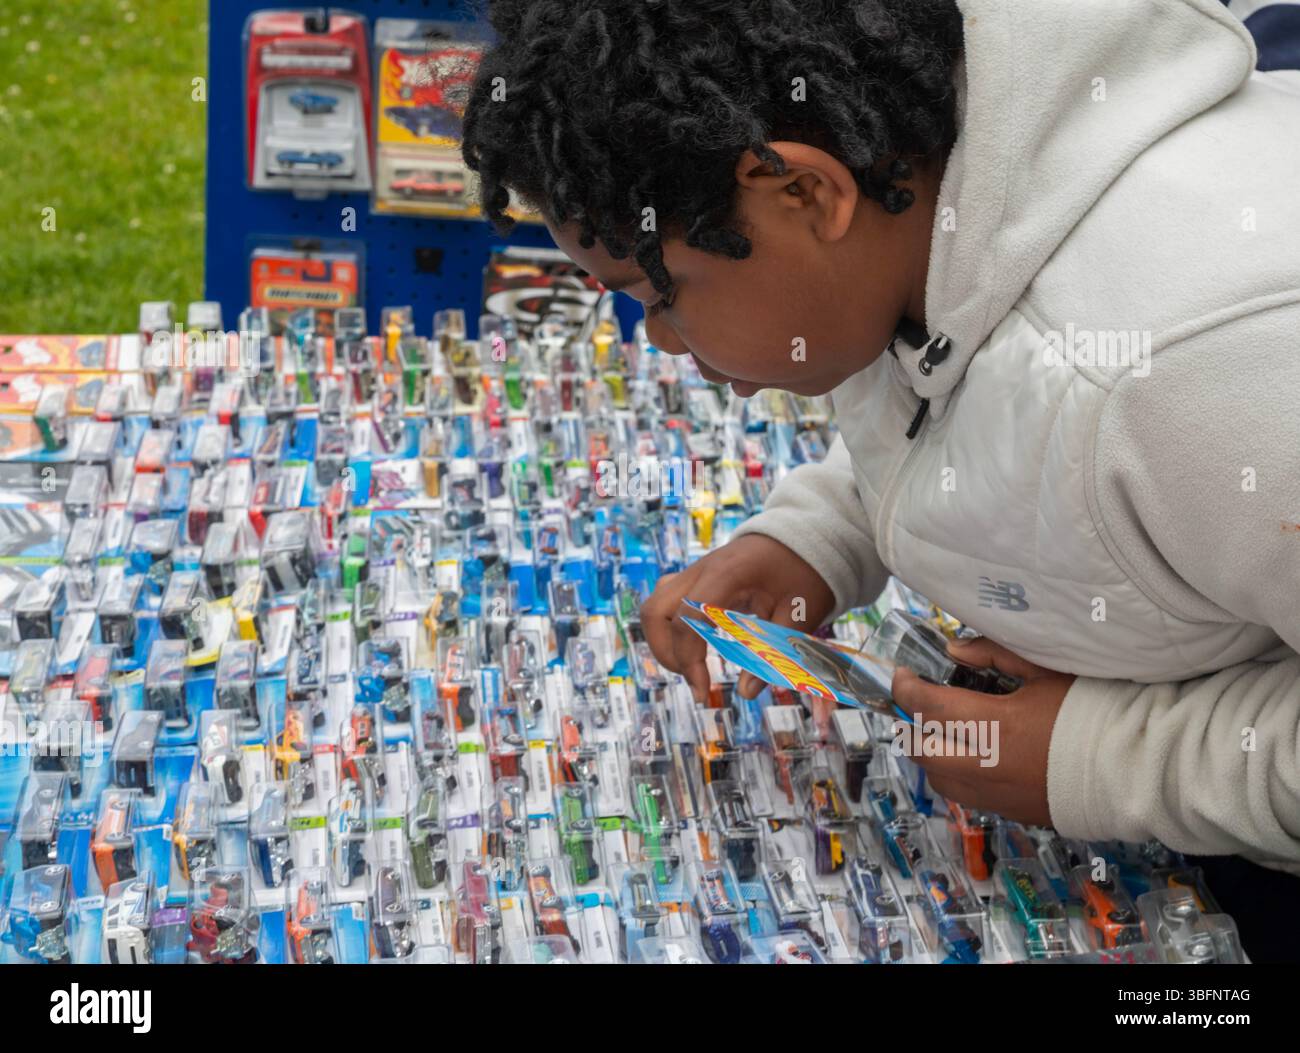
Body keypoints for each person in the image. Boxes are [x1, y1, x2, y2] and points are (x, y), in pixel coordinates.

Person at [461, 0, 1300, 960]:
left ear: (807, 195)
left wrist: (1108, 760)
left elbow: (1081, 398)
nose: (657, 342)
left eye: (662, 296)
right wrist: (818, 535)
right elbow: (968, 391)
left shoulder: (1203, 365)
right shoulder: (921, 193)